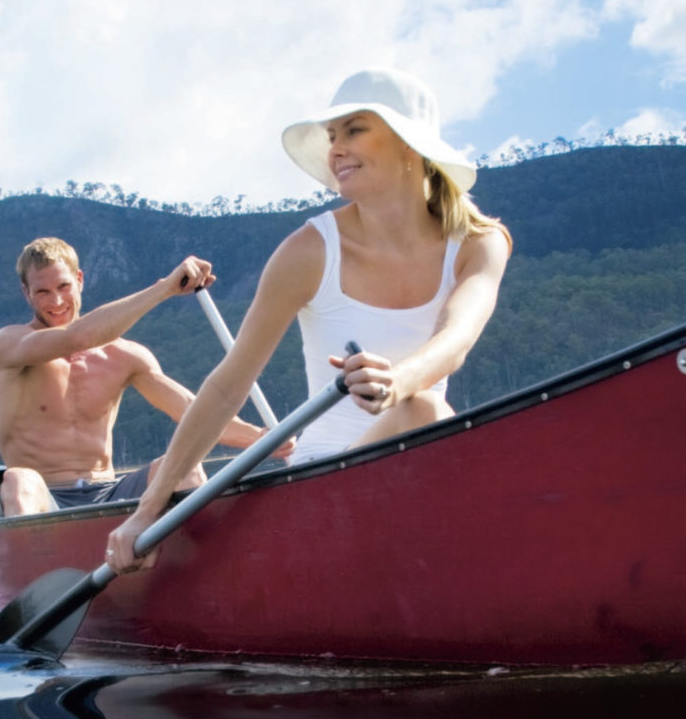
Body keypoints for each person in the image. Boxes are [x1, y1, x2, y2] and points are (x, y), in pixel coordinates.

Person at [105, 68, 511, 574]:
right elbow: (230, 385)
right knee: (424, 410)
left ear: (411, 145)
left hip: (423, 468)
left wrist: (398, 381)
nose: (336, 148)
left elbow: (458, 337)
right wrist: (145, 512)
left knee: (424, 407)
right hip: (323, 486)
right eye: (332, 136)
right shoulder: (308, 251)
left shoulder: (480, 242)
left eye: (355, 130)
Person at [0, 237, 279, 516]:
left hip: (109, 491)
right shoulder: (8, 346)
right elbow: (77, 337)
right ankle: (35, 562)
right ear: (26, 293)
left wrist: (263, 439)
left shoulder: (125, 356)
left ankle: (208, 562)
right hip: (43, 494)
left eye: (64, 286)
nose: (57, 300)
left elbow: (192, 411)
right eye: (43, 292)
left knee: (184, 467)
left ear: (79, 280)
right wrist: (165, 288)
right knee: (17, 481)